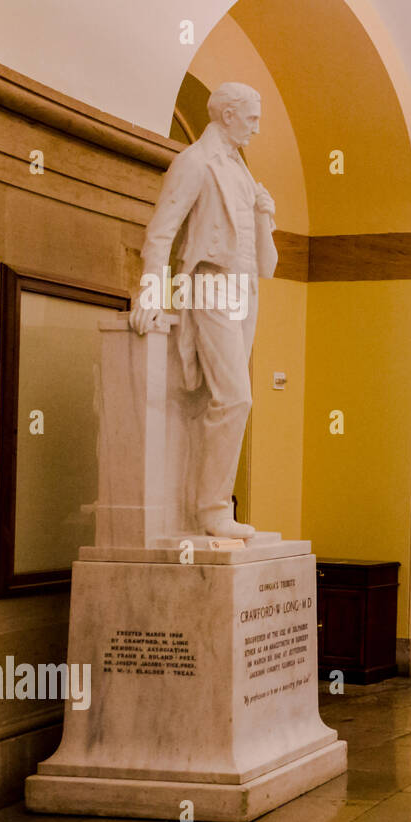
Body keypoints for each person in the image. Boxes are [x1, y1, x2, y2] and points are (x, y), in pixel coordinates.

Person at [130, 82, 277, 539]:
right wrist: (152, 295)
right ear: (228, 114)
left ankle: (207, 505)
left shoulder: (241, 171)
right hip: (210, 285)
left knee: (218, 398)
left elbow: (266, 260)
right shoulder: (196, 162)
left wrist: (264, 214)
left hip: (245, 288)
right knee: (236, 396)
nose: (256, 127)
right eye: (251, 118)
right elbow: (160, 232)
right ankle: (212, 509)